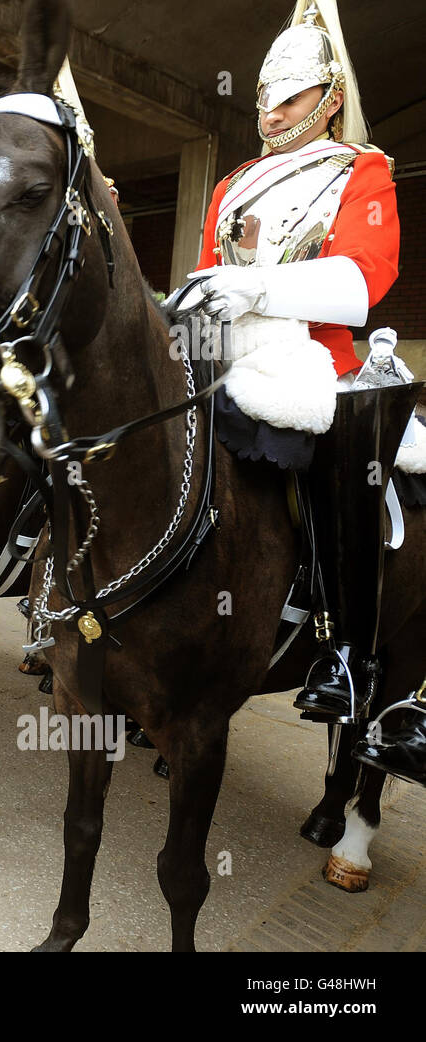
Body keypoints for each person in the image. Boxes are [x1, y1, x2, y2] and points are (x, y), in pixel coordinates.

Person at [189, 0, 416, 724]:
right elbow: (205, 275)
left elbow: (362, 281)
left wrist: (259, 283)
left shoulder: (363, 169)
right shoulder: (232, 184)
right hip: (226, 352)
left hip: (318, 361)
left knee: (341, 452)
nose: (274, 113)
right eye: (266, 98)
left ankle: (345, 653)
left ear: (331, 99)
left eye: (292, 98)